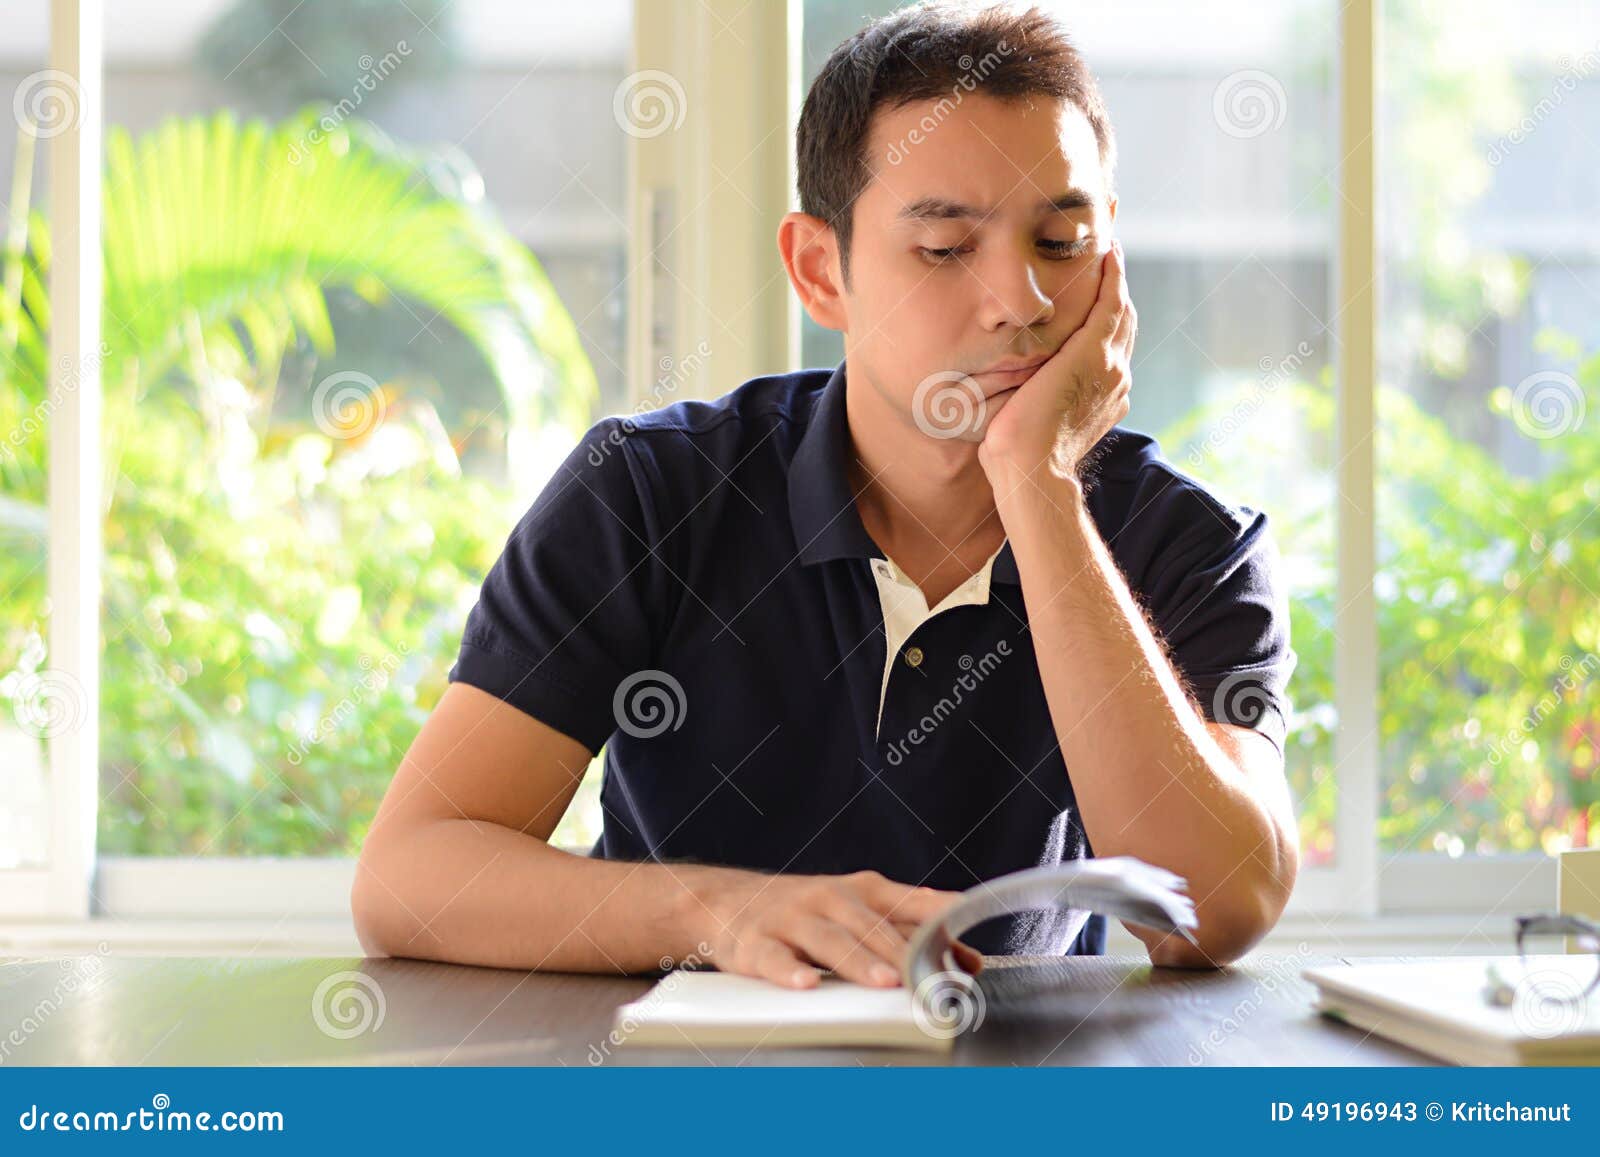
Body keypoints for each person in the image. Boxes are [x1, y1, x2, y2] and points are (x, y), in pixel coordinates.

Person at [353, 1, 1299, 989]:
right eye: (943, 247)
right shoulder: (646, 491)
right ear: (820, 270)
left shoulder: (1186, 541)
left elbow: (1218, 907)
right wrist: (722, 910)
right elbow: (409, 875)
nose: (1019, 299)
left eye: (1060, 240)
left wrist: (1040, 482)